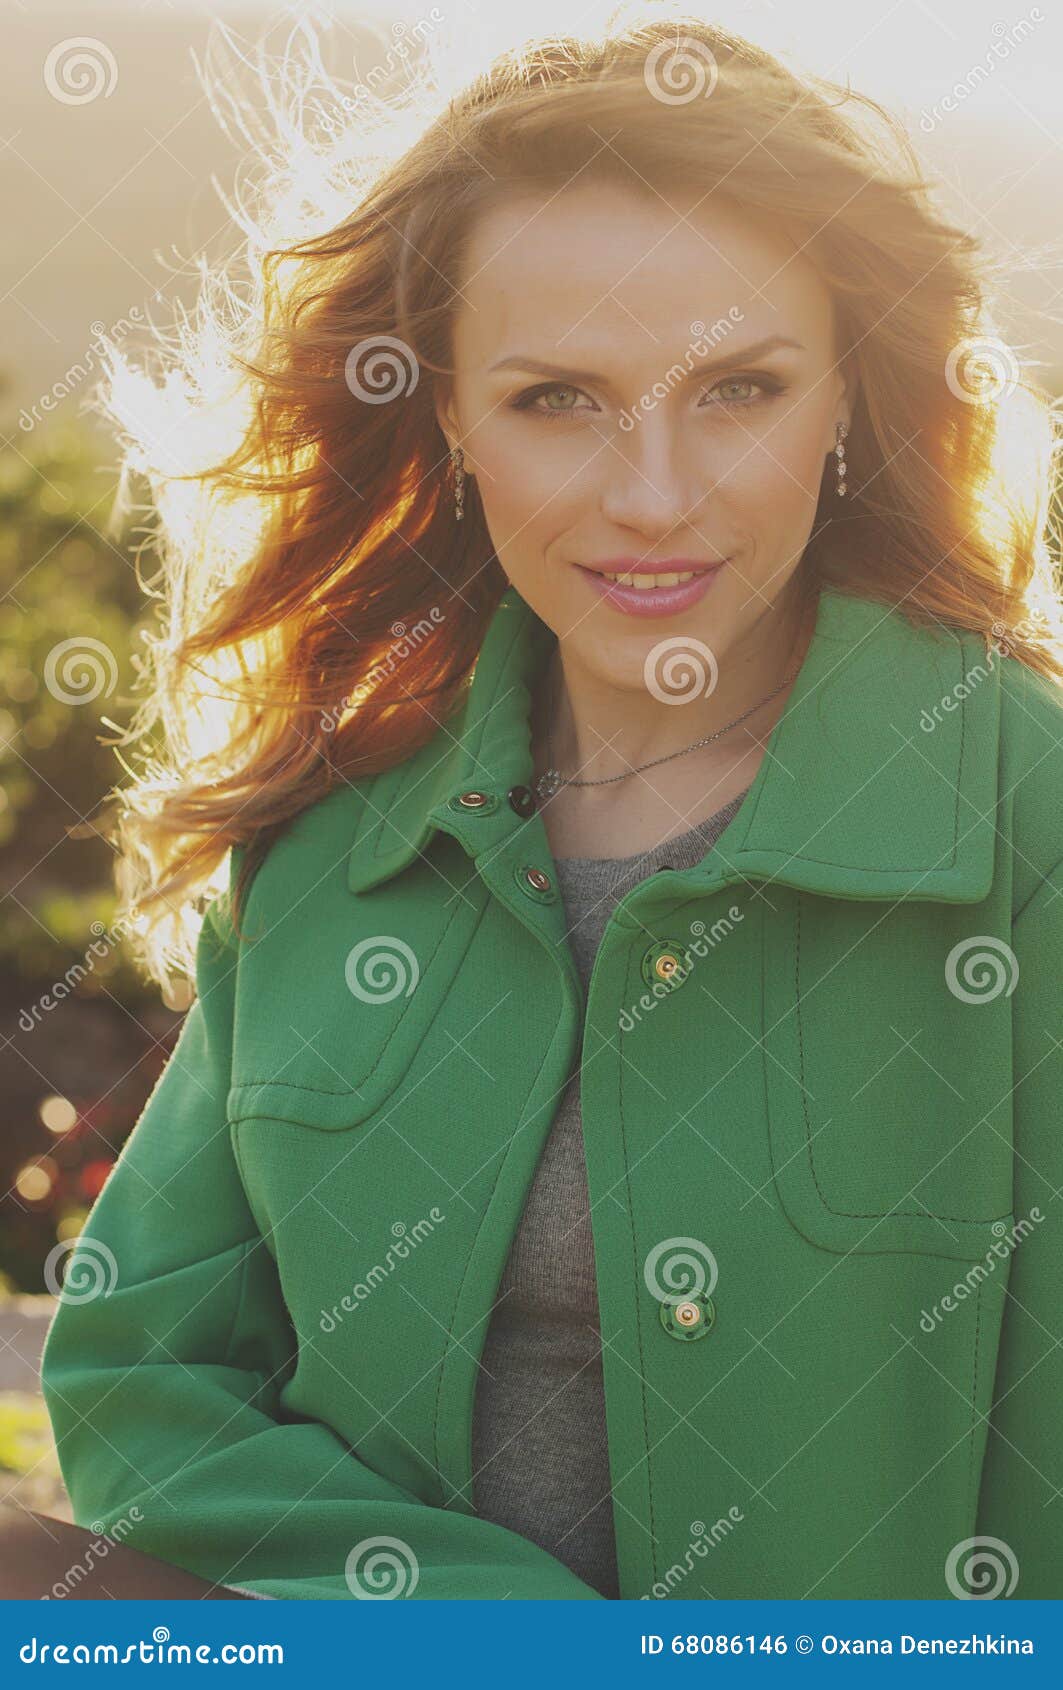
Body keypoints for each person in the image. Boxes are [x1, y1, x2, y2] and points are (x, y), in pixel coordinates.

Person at [21, 15, 1063, 1601]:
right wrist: (496, 1634)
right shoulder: (325, 835)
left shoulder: (1027, 820)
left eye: (739, 388)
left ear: (849, 392)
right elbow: (140, 1384)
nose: (652, 495)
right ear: (443, 410)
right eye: (558, 400)